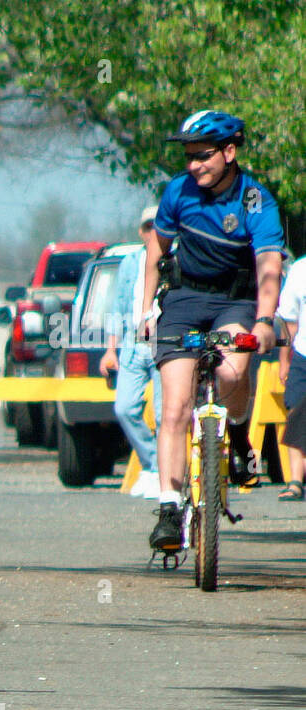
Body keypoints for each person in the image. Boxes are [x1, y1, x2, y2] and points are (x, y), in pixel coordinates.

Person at [141, 110, 285, 553]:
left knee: (229, 375)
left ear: (229, 151)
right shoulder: (177, 193)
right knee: (176, 407)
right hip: (184, 300)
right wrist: (144, 309)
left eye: (202, 156)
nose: (193, 166)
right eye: (188, 157)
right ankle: (168, 510)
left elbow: (268, 264)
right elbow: (155, 251)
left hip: (236, 302)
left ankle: (238, 433)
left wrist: (263, 320)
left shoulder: (255, 200)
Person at [100, 205, 163, 499]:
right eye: (148, 227)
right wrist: (110, 350)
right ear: (141, 231)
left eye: (158, 225)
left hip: (165, 342)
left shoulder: (176, 258)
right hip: (133, 343)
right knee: (124, 408)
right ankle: (152, 464)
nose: (153, 232)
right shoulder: (129, 262)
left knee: (166, 415)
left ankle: (164, 474)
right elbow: (117, 306)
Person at [275, 254, 306, 500]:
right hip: (303, 355)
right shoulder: (300, 269)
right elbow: (289, 321)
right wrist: (285, 360)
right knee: (295, 414)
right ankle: (295, 481)